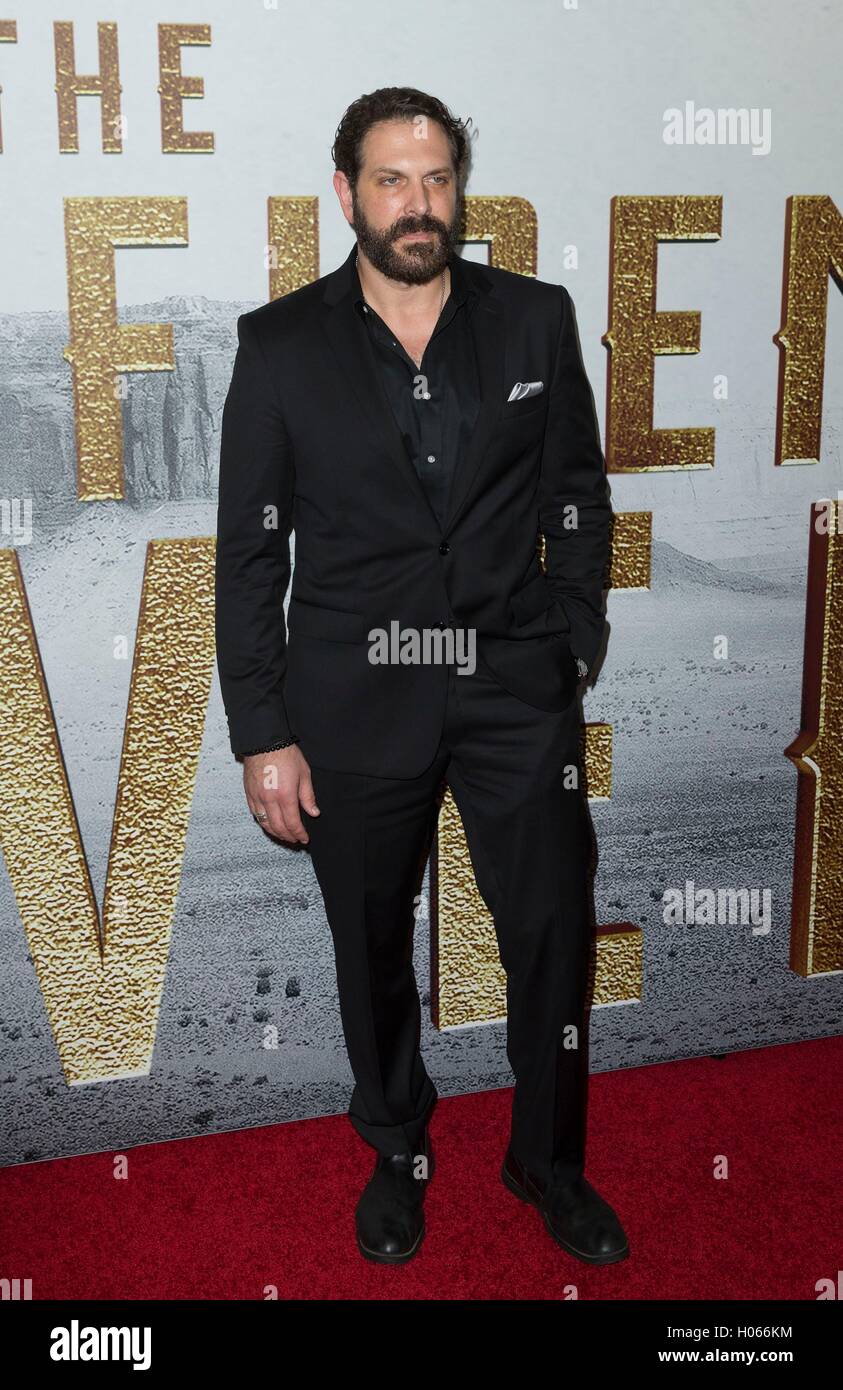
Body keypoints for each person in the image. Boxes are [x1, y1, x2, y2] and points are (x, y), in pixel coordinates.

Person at [214, 86, 628, 1266]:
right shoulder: (279, 345)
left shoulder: (534, 320)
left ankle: (547, 1160)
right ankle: (397, 1146)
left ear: (461, 189)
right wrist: (263, 732)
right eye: (391, 179)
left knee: (550, 932)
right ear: (347, 193)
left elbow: (578, 497)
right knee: (371, 946)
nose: (417, 202)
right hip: (355, 698)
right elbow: (251, 552)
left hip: (512, 689)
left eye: (437, 177)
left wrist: (574, 636)